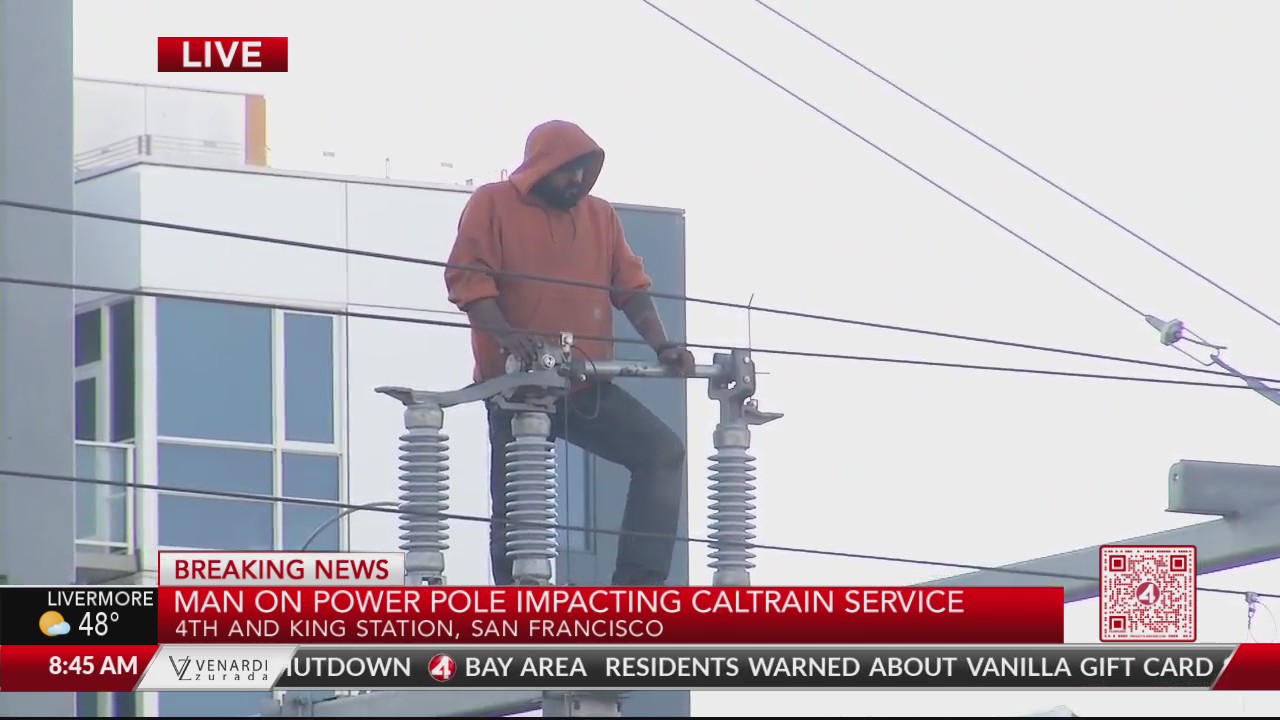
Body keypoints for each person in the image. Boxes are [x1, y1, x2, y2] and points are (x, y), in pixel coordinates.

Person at [444, 120, 695, 587]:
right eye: (567, 171)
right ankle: (517, 607)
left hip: (583, 384)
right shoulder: (492, 203)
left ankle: (636, 590)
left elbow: (631, 288)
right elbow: (468, 279)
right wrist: (506, 336)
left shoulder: (600, 216)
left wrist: (664, 344)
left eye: (583, 172)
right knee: (518, 502)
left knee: (663, 452)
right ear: (541, 167)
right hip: (513, 387)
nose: (576, 182)